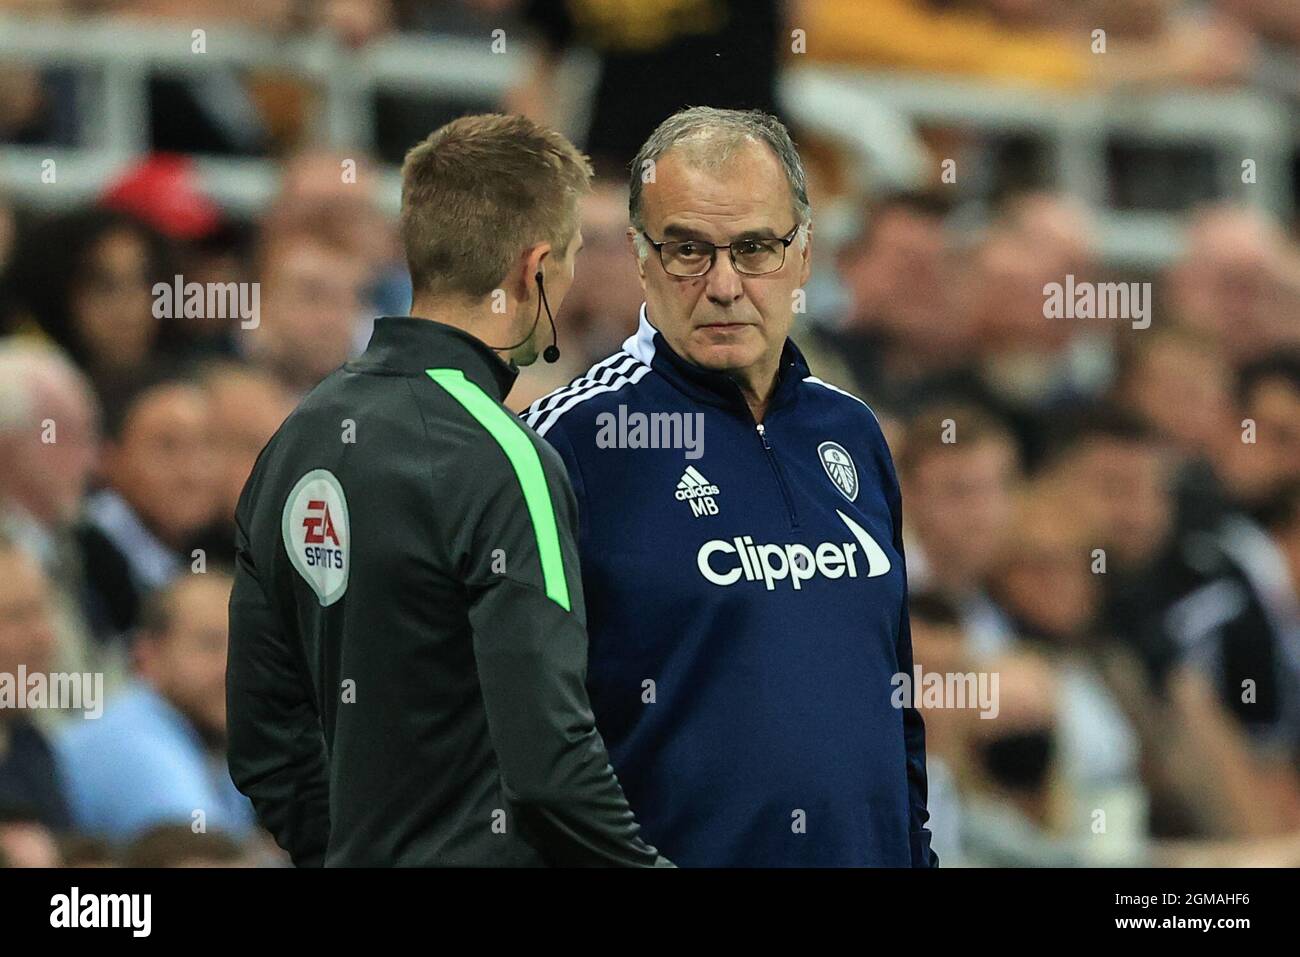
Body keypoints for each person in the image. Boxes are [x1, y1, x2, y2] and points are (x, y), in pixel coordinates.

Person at [226, 113, 669, 867]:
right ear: (533, 270)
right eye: (565, 259)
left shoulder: (294, 439)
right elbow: (550, 764)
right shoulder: (507, 460)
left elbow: (264, 745)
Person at [524, 106, 936, 866]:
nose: (722, 285)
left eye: (755, 248)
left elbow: (894, 704)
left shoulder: (853, 435)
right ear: (640, 257)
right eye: (687, 249)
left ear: (805, 253)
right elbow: (516, 740)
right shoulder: (566, 445)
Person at [57, 570, 256, 845]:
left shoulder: (212, 739)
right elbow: (205, 859)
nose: (234, 668)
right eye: (210, 644)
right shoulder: (128, 741)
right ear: (148, 655)